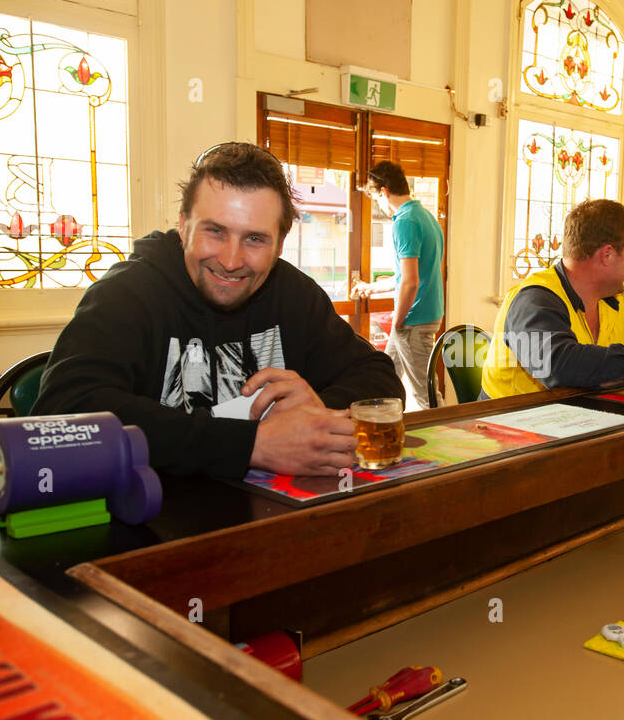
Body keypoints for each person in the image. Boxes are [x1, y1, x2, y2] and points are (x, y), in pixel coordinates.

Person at [33, 142, 403, 478]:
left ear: (279, 244)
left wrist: (315, 408)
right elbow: (62, 413)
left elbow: (381, 381)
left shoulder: (293, 293)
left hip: (272, 529)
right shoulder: (127, 293)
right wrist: (252, 444)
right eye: (215, 232)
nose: (230, 260)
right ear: (183, 225)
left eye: (254, 239)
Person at [481, 199, 624, 398]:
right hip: (506, 423)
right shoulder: (532, 301)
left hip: (576, 420)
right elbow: (558, 367)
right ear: (607, 255)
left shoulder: (619, 299)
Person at [351, 160, 445, 410]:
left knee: (426, 396)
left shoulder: (404, 221)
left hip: (412, 320)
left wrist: (397, 320)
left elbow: (411, 282)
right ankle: (380, 432)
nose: (379, 205)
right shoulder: (425, 217)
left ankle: (448, 441)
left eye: (376, 198)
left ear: (384, 192)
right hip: (420, 316)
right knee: (384, 380)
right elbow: (409, 277)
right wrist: (371, 287)